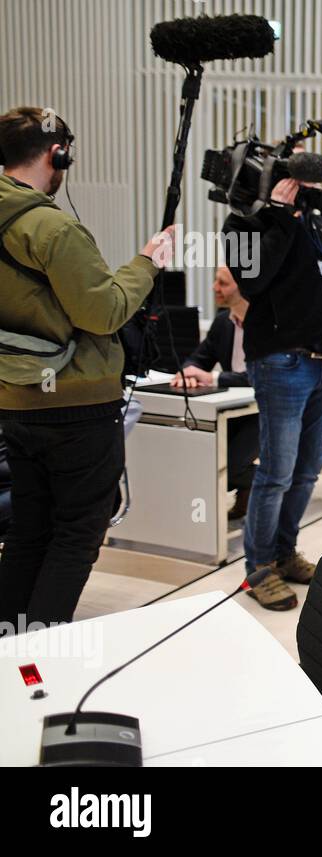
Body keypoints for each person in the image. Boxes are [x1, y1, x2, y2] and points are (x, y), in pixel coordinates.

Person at [0, 106, 175, 628]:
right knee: (77, 534)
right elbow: (102, 313)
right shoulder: (52, 229)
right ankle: (41, 657)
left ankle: (12, 648)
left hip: (16, 400)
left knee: (29, 530)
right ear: (58, 154)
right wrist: (145, 263)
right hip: (76, 406)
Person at [222, 165, 322, 610]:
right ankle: (259, 569)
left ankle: (284, 551)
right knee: (275, 473)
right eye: (304, 189)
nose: (312, 197)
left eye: (317, 191)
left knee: (308, 469)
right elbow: (254, 280)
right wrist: (279, 215)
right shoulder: (244, 224)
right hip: (281, 363)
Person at [170, 265, 258, 519]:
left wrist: (213, 377)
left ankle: (259, 484)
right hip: (230, 408)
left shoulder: (266, 324)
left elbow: (260, 375)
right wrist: (188, 371)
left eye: (222, 283)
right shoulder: (223, 321)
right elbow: (199, 357)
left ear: (243, 288)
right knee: (198, 458)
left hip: (263, 410)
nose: (214, 288)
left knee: (228, 469)